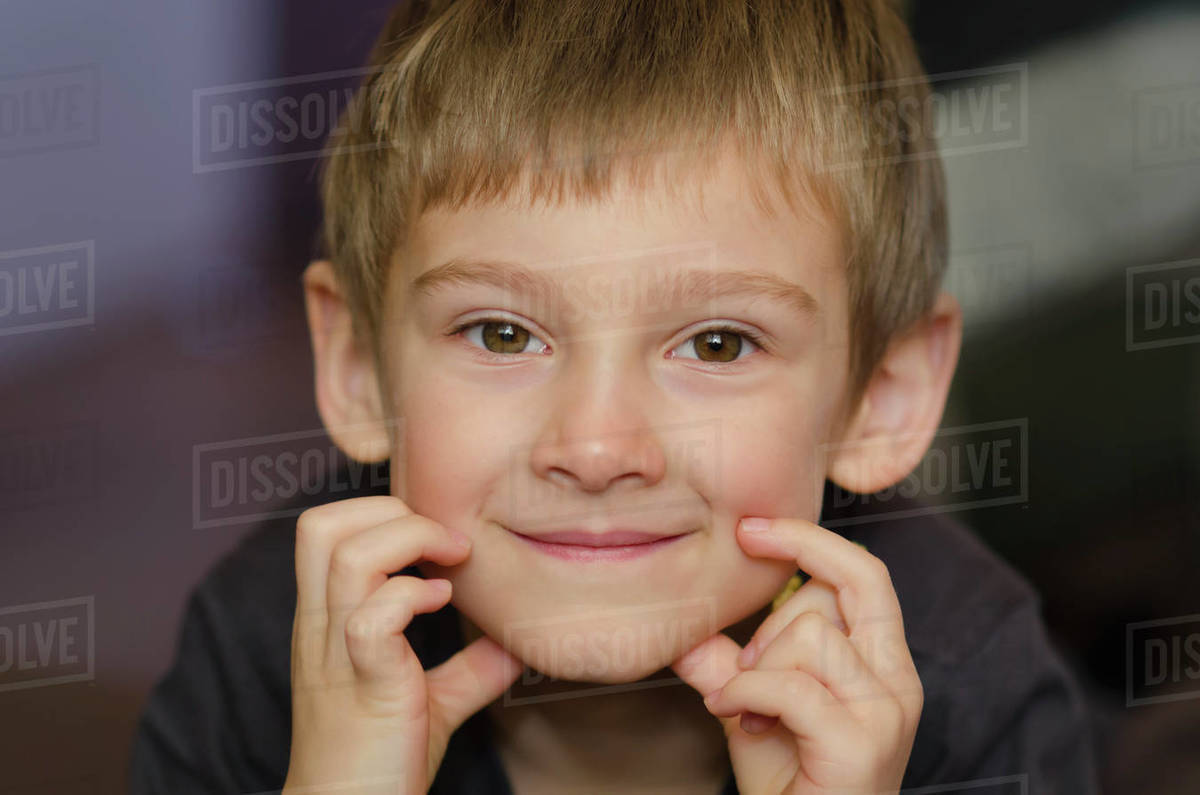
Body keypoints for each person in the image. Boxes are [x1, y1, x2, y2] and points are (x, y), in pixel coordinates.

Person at [130, 1, 1101, 792]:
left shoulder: (969, 681)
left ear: (881, 398)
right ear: (356, 370)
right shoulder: (271, 645)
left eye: (718, 343)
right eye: (501, 333)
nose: (596, 449)